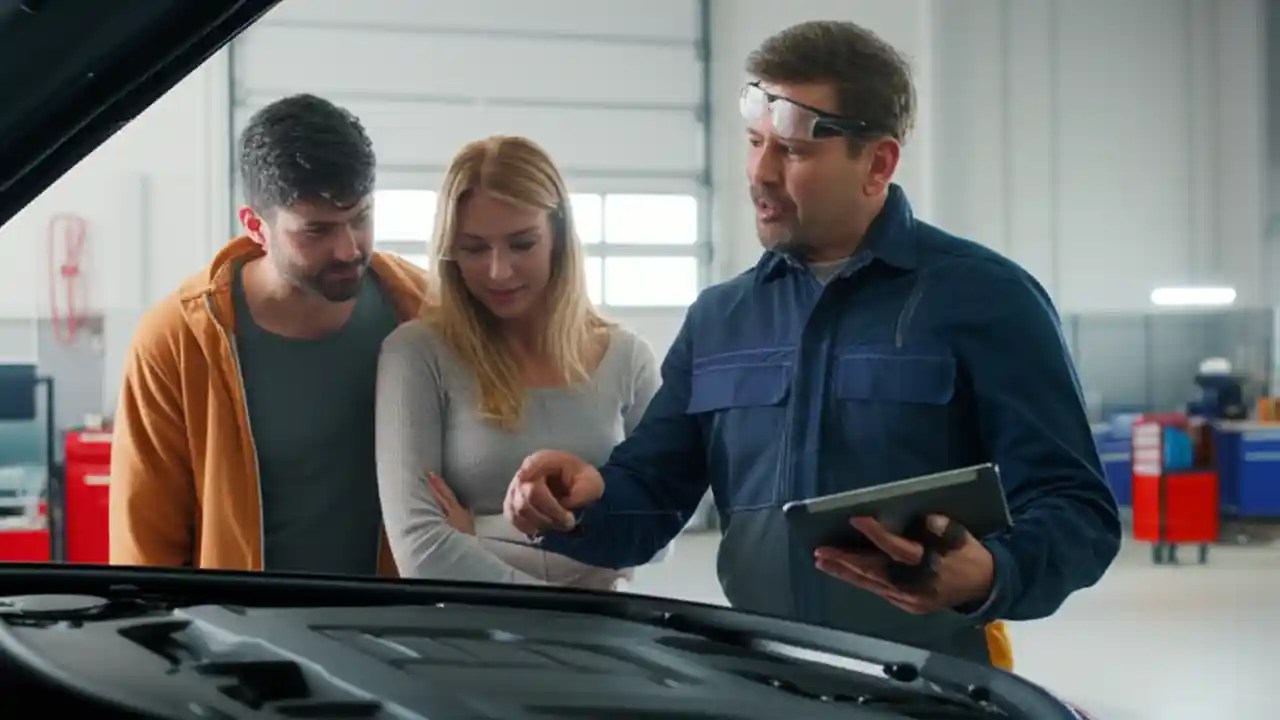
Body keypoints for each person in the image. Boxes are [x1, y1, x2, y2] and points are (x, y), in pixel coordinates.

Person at [502, 20, 1121, 668]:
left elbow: (1075, 510)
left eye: (792, 153)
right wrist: (580, 503)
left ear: (877, 163)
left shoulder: (987, 300)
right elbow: (652, 492)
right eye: (753, 142)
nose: (760, 173)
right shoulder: (722, 318)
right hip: (760, 680)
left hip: (927, 685)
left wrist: (992, 571)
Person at [109, 94, 430, 575]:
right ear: (256, 226)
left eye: (360, 218)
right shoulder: (177, 341)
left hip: (395, 634)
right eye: (316, 230)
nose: (348, 248)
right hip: (240, 639)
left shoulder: (422, 311)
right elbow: (145, 540)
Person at [375, 135, 662, 590]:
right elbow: (421, 551)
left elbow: (657, 530)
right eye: (473, 248)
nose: (498, 271)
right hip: (474, 644)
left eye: (522, 244)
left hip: (601, 646)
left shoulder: (628, 358)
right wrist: (578, 593)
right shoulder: (416, 355)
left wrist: (482, 533)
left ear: (559, 237)